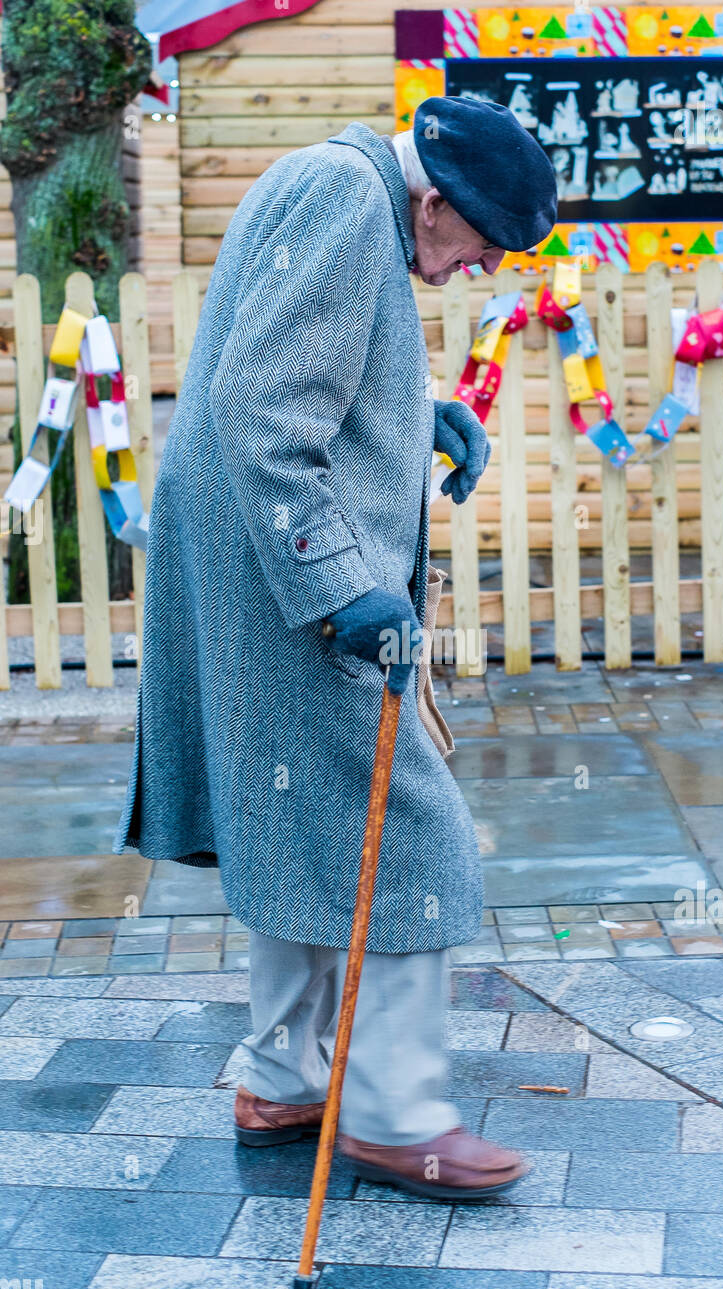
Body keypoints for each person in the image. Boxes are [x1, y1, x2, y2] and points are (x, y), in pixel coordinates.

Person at [113, 96, 557, 1199]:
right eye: (477, 246)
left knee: (302, 820)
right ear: (436, 201)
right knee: (407, 837)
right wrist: (341, 585)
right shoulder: (348, 202)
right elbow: (265, 410)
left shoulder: (347, 186)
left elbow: (304, 371)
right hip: (291, 582)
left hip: (256, 568)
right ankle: (394, 1116)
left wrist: (417, 416)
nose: (469, 270)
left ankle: (283, 1080)